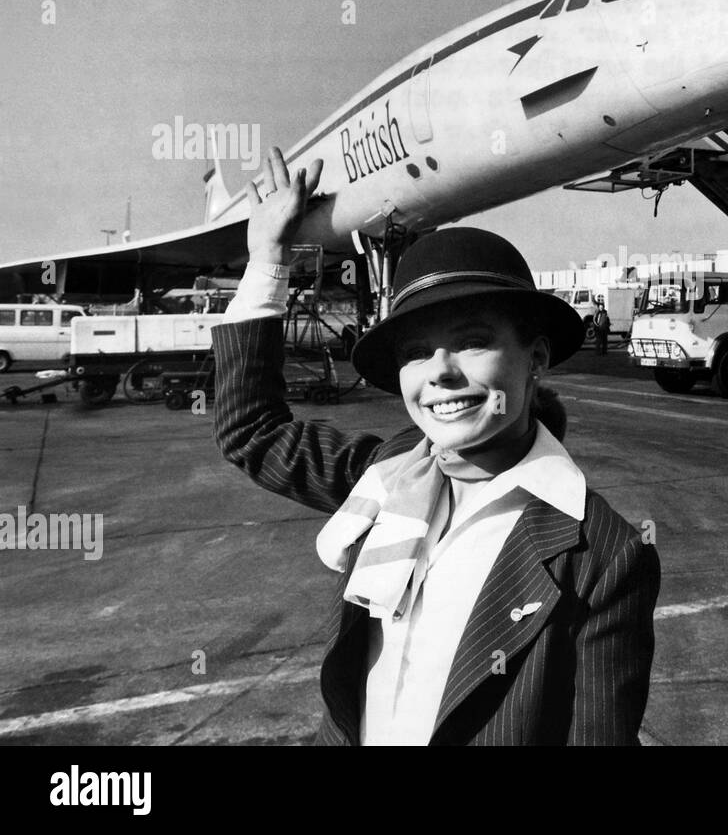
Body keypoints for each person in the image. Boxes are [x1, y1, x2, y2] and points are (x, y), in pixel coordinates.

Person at [211, 148, 660, 745]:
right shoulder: (389, 475)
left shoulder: (603, 554)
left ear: (537, 358)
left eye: (473, 342)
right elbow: (253, 431)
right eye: (416, 351)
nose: (440, 372)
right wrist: (268, 257)